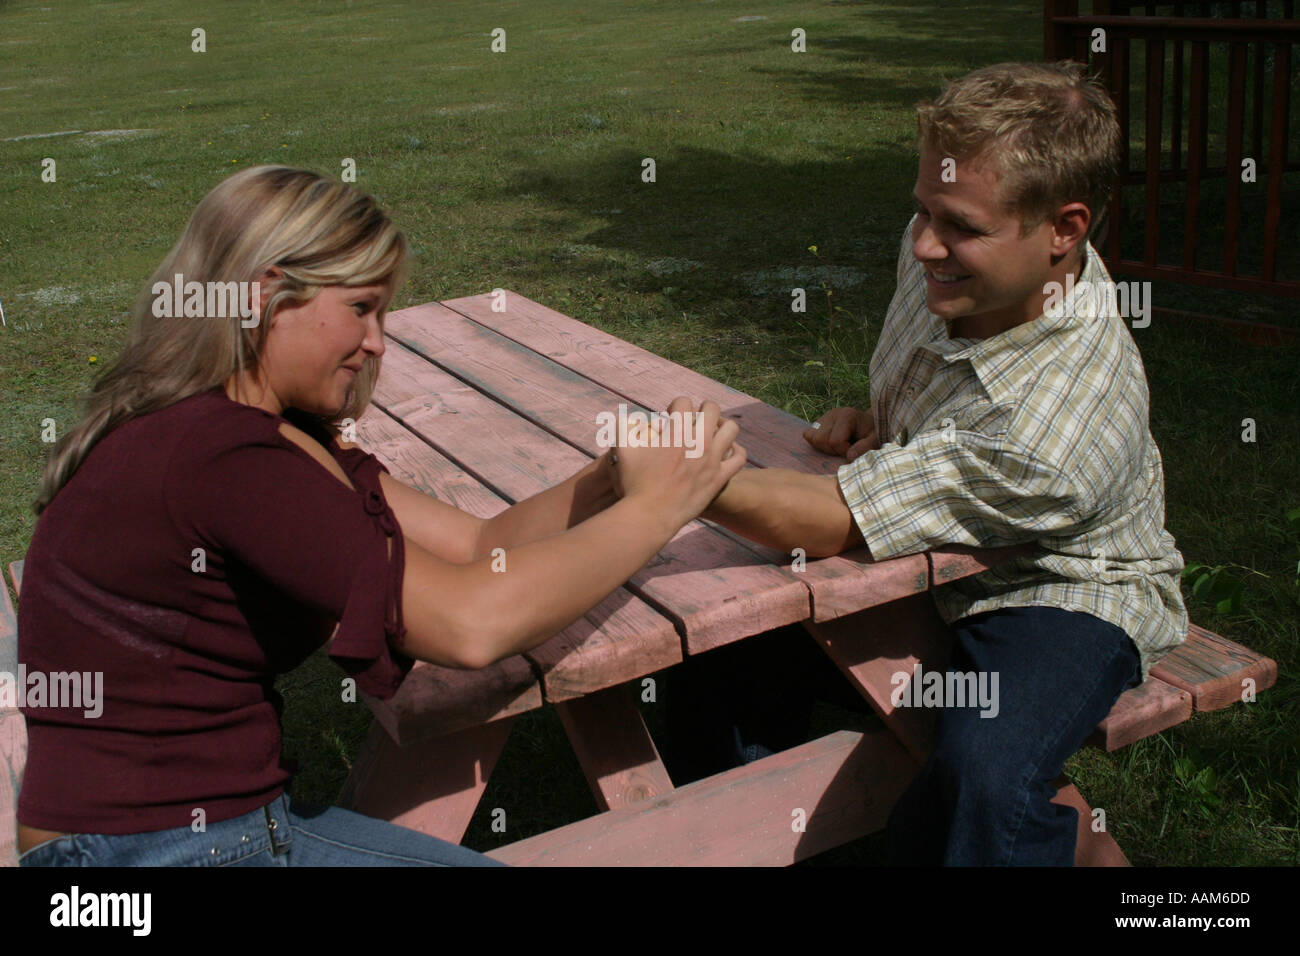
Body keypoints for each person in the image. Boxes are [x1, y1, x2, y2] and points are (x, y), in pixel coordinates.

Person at [16, 165, 745, 866]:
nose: (376, 342)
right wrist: (661, 508)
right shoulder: (225, 458)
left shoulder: (254, 432)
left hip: (171, 837)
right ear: (266, 295)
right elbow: (471, 624)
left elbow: (478, 547)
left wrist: (616, 477)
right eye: (362, 308)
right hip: (155, 852)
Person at [683, 61, 1189, 865]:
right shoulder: (966, 268)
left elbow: (836, 514)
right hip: (940, 552)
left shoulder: (1051, 425)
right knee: (720, 644)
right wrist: (887, 420)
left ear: (1065, 230)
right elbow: (952, 395)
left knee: (982, 781)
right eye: (922, 208)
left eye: (957, 225)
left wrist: (676, 479)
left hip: (1048, 589)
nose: (923, 244)